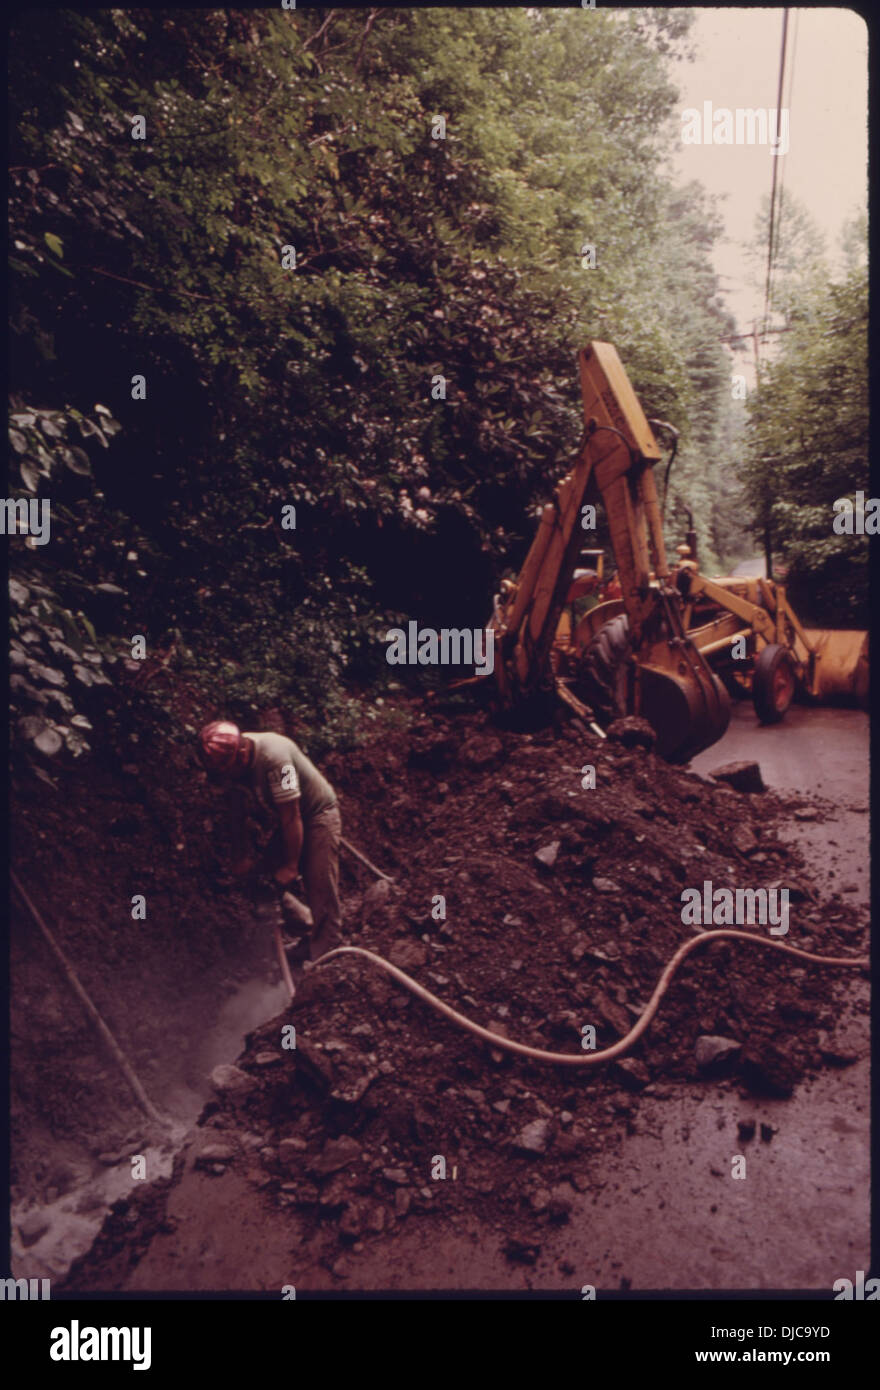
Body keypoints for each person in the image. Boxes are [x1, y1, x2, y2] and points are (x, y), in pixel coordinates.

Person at [197, 720, 343, 962]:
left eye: (227, 769)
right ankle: (307, 926)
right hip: (290, 820)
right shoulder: (232, 762)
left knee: (320, 884)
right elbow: (236, 813)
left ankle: (328, 955)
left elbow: (291, 815)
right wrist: (240, 857)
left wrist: (291, 866)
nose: (226, 775)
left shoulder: (276, 760)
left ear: (241, 754)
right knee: (261, 880)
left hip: (317, 815)